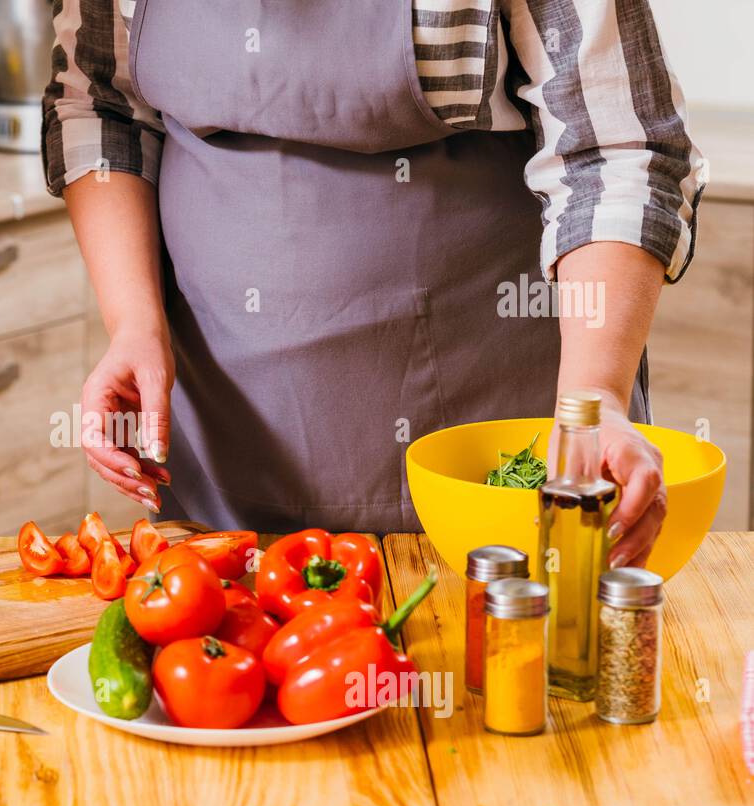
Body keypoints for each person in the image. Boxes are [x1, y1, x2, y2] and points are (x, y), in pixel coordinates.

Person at [43, 0, 706, 569]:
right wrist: (133, 323)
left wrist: (594, 403)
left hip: (495, 450)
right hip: (223, 439)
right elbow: (103, 109)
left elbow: (614, 147)